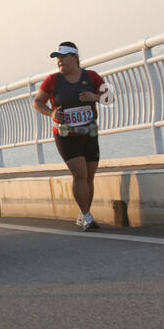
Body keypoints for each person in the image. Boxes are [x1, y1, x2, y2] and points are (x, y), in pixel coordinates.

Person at [33, 41, 110, 231]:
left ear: (75, 57)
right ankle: (86, 216)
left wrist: (95, 97)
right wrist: (51, 113)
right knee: (80, 173)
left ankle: (85, 213)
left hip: (89, 131)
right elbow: (37, 102)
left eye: (63, 56)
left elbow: (110, 97)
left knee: (89, 176)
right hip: (65, 133)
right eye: (57, 58)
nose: (59, 61)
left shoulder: (91, 76)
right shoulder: (52, 80)